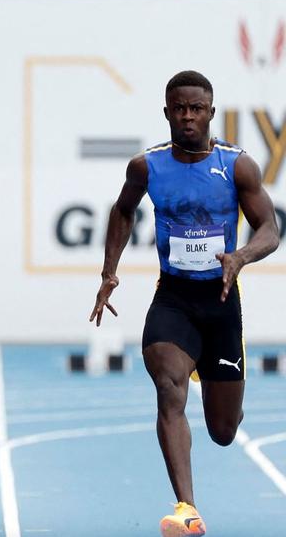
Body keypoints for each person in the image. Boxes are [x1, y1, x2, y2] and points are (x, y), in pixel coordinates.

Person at [90, 70, 279, 537]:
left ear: (211, 113)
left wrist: (240, 257)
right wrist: (109, 271)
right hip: (173, 298)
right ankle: (187, 509)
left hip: (221, 300)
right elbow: (122, 209)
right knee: (169, 386)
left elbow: (269, 229)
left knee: (223, 430)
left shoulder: (237, 166)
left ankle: (216, 380)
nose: (188, 116)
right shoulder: (147, 167)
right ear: (167, 112)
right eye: (179, 108)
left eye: (196, 108)